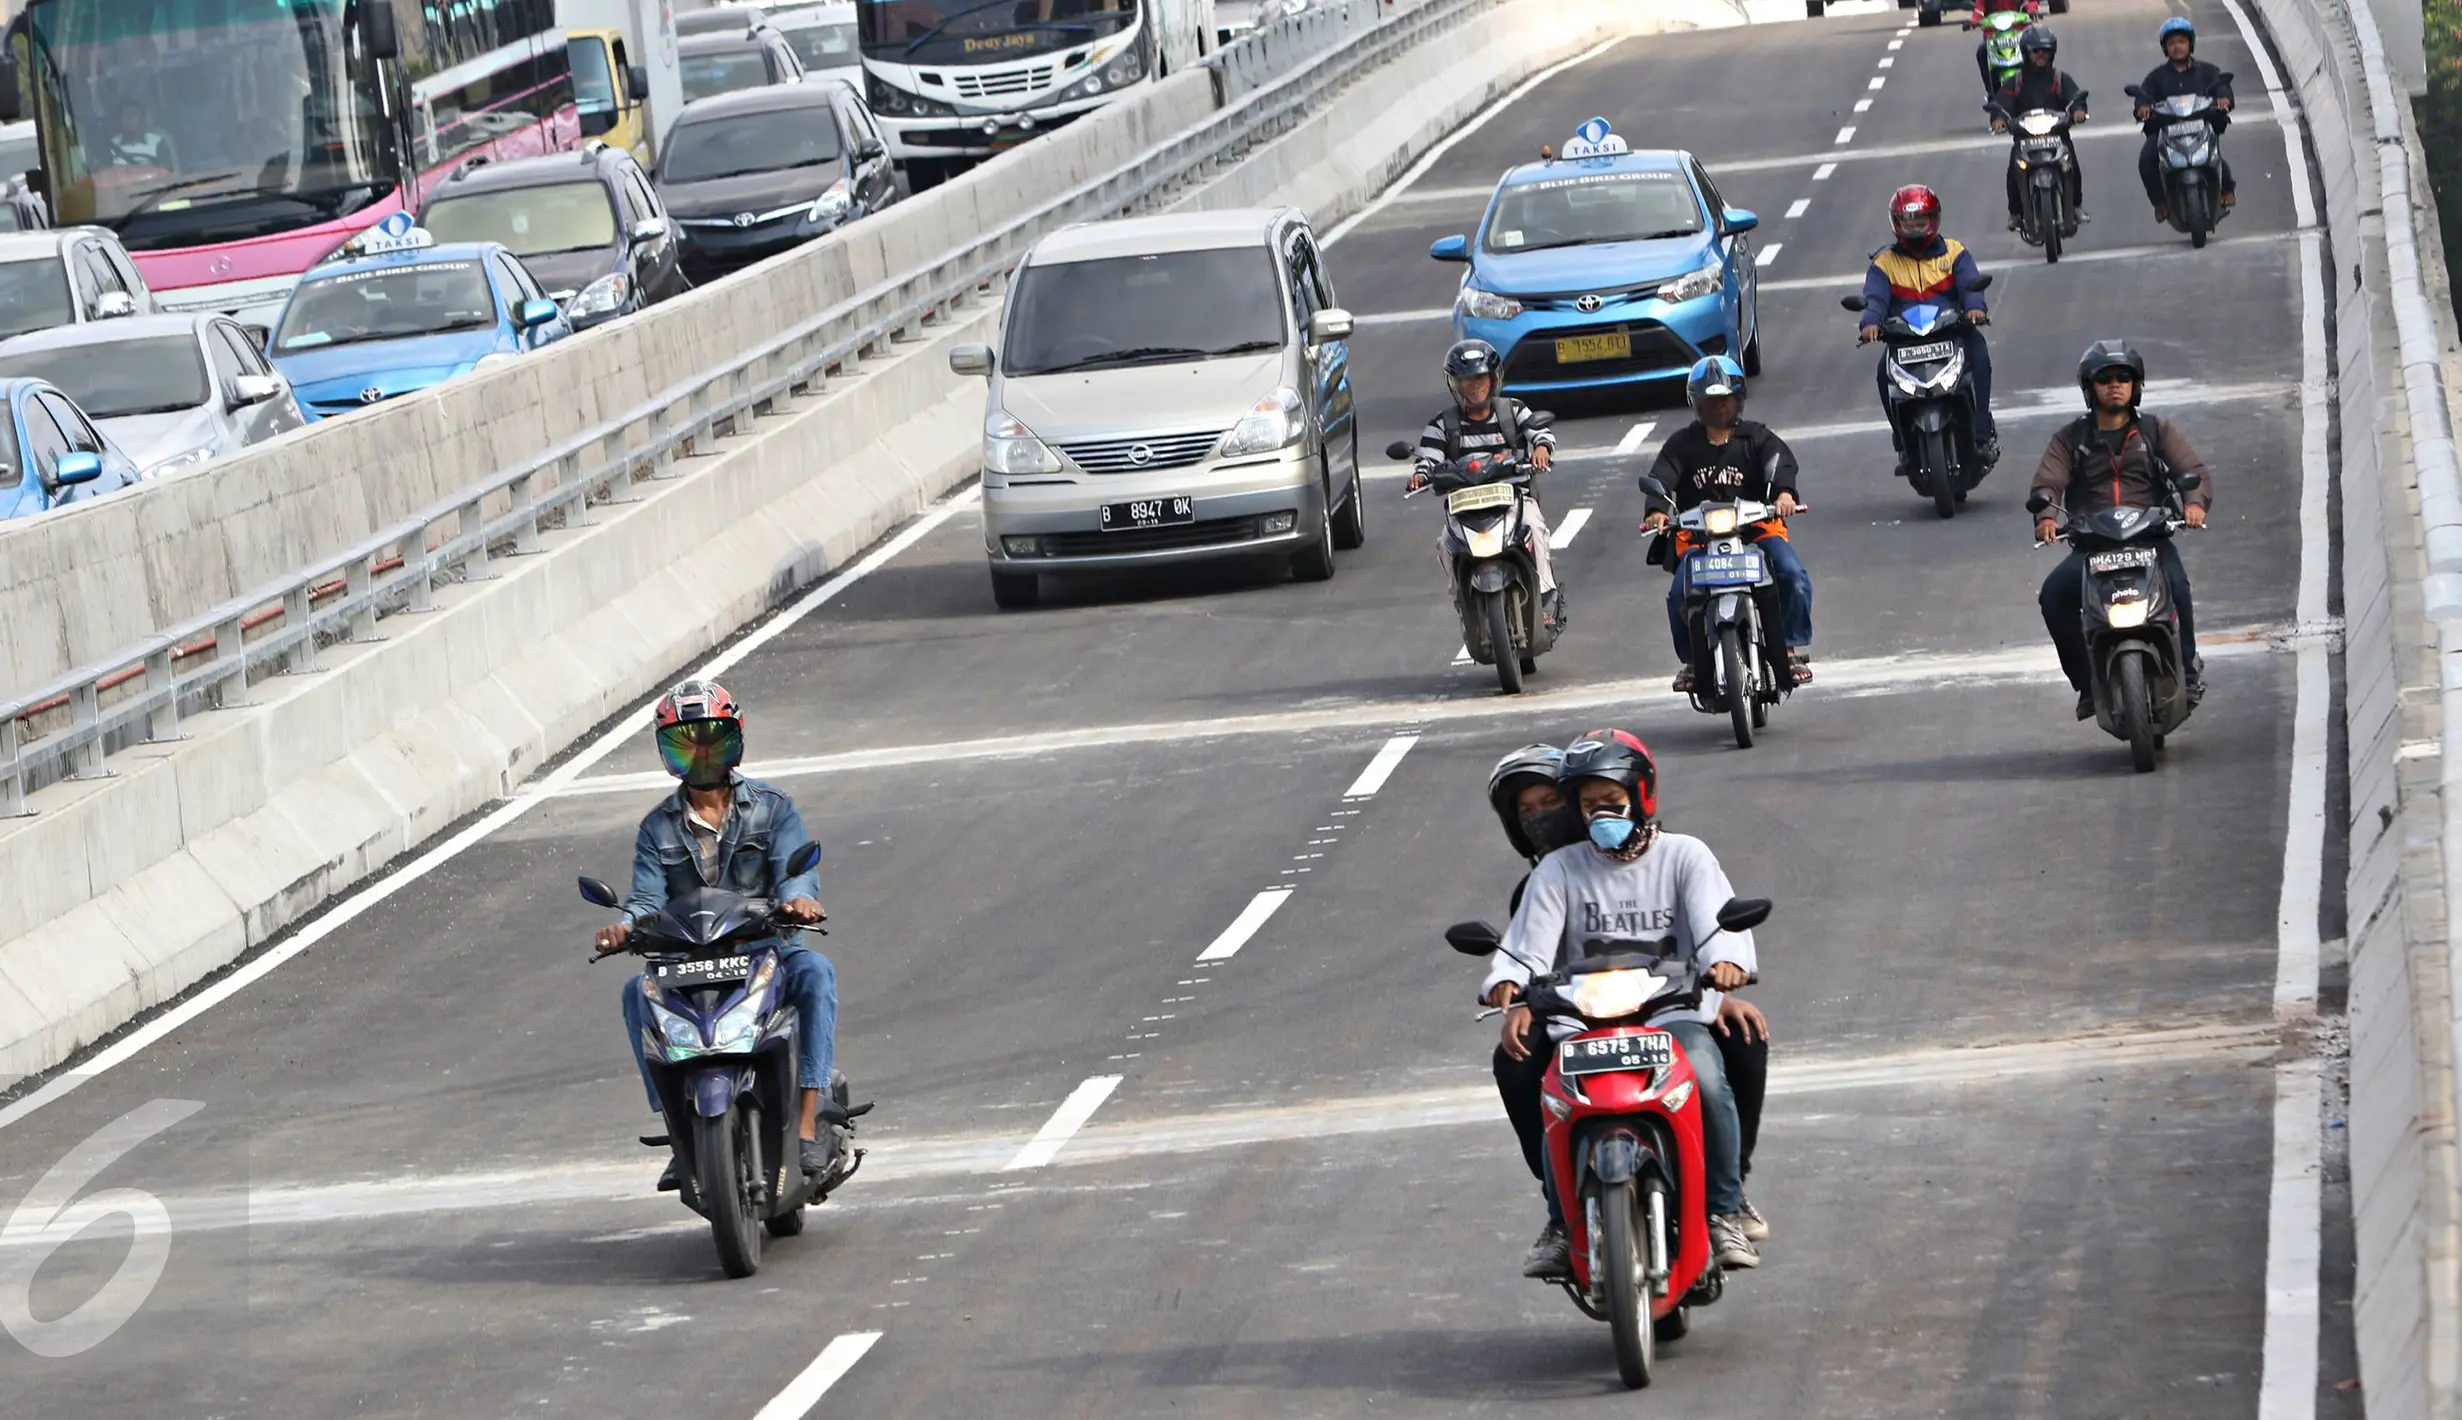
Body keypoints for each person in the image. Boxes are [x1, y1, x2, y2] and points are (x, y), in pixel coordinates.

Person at [1483, 743, 1773, 1278]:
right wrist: (1512, 987)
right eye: (1587, 804)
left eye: (1610, 801)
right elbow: (1528, 947)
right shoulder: (1556, 872)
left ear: (1640, 797)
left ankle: (1724, 1207)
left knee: (1707, 1077)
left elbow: (1714, 923)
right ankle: (1560, 1220)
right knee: (1551, 1098)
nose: (1600, 814)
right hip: (1580, 1019)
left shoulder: (1684, 855)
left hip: (1669, 1012)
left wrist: (1726, 965)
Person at [595, 680, 844, 1188]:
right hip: (687, 963)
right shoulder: (656, 828)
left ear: (735, 740)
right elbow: (645, 898)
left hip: (765, 951)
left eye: (713, 741)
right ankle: (679, 1132)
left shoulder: (774, 808)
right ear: (669, 753)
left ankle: (806, 1126)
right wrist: (625, 927)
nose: (702, 755)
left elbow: (795, 872)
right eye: (686, 745)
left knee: (816, 973)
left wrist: (799, 900)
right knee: (635, 993)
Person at [2029, 341, 2214, 718]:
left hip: (2150, 541)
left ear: (2136, 386)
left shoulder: (2155, 430)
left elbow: (2191, 470)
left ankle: (2189, 672)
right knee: (2053, 596)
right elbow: (2048, 482)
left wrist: (2194, 504)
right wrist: (2046, 517)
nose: (2115, 385)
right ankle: (2087, 685)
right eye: (2105, 379)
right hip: (2093, 548)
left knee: (2178, 589)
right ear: (2089, 387)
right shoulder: (2069, 439)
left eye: (2123, 378)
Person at [1641, 355, 1814, 693]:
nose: (1720, 406)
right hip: (1699, 538)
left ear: (1739, 399)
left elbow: (1781, 464)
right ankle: (1692, 661)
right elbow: (1661, 476)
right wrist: (1657, 510)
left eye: (1726, 399)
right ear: (1697, 403)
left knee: (1793, 577)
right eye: (1711, 401)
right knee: (1679, 595)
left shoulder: (1757, 438)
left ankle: (1790, 650)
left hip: (1757, 532)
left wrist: (1784, 495)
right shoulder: (1681, 444)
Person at [1407, 338, 1563, 630]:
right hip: (1465, 506)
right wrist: (1421, 474)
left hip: (1514, 500)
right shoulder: (1442, 424)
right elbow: (1427, 458)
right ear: (1455, 384)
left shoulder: (1513, 410)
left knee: (1535, 528)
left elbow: (1540, 434)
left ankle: (1545, 597)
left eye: (1481, 378)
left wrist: (1541, 448)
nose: (1475, 386)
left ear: (1494, 379)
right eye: (1466, 380)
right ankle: (1462, 601)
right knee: (1445, 543)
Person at [1858, 183, 1997, 469]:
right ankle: (1902, 443)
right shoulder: (1884, 264)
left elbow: (1970, 285)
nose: (1915, 228)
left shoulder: (1955, 253)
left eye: (1920, 221)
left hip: (1954, 333)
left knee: (1981, 359)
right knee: (1883, 375)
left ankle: (1981, 434)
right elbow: (1875, 299)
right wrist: (1870, 322)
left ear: (1934, 219)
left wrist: (1975, 308)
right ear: (1896, 223)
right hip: (1904, 341)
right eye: (1908, 223)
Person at [2134, 17, 2236, 224]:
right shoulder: (2156, 77)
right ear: (2165, 48)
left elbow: (2221, 86)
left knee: (2214, 153)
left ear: (2191, 44)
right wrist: (2142, 107)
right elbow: (2143, 96)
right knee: (2146, 160)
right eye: (2172, 43)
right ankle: (2160, 203)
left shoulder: (2207, 71)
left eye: (2181, 41)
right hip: (2166, 130)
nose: (2177, 47)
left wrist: (2224, 99)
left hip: (2200, 127)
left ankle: (2226, 189)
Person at [1988, 26, 2090, 230]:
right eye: (2036, 51)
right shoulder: (2015, 82)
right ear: (2026, 52)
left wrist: (2078, 111)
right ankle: (2015, 213)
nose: (2041, 55)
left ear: (2053, 53)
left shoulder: (2060, 79)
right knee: (2013, 170)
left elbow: (2076, 99)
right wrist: (1998, 119)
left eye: (2046, 51)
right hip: (2024, 139)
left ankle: (2076, 205)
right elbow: (2002, 105)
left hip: (2057, 136)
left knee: (2072, 165)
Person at [1970, 0, 2040, 97]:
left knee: (2038, 46)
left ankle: (2043, 84)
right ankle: (1991, 91)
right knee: (1982, 52)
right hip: (1994, 34)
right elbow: (1979, 8)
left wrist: (2032, 11)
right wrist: (1975, 20)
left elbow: (2030, 2)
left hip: (2019, 32)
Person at [106, 100, 174, 169]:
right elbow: (105, 171)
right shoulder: (111, 145)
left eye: (132, 115)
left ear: (142, 120)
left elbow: (166, 170)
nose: (129, 120)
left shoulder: (157, 142)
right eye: (126, 115)